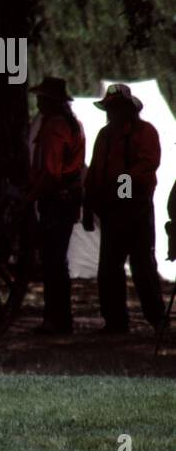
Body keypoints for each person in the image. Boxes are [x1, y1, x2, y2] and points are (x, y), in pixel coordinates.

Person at [83, 83, 164, 334]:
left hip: (136, 209)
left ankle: (157, 321)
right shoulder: (104, 136)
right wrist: (89, 204)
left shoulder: (145, 132)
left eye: (115, 108)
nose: (111, 113)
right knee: (108, 268)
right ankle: (115, 322)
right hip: (112, 210)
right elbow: (95, 170)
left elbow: (147, 165)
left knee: (142, 267)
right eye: (109, 108)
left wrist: (120, 188)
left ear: (128, 109)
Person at [27, 77, 86, 334]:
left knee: (53, 261)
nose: (37, 101)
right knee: (56, 260)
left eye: (41, 97)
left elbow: (51, 172)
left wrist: (31, 196)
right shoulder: (73, 125)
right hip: (67, 198)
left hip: (55, 199)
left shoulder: (54, 127)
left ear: (49, 101)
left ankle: (56, 319)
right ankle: (60, 318)